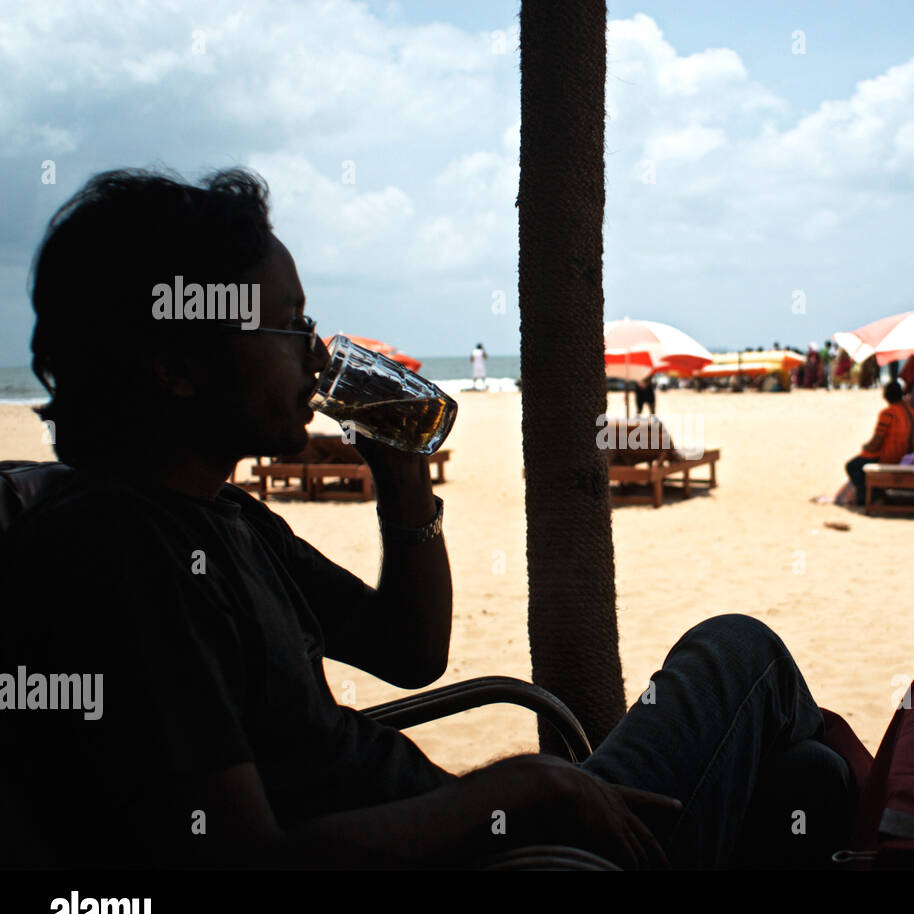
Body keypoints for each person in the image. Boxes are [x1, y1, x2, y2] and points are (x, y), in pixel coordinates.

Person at [2, 168, 853, 871]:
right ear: (176, 362)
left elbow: (409, 653)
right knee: (738, 654)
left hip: (471, 837)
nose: (318, 352)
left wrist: (403, 487)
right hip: (484, 867)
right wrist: (526, 791)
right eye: (290, 325)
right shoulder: (122, 554)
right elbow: (247, 868)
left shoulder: (220, 519)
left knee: (803, 779)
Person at [844, 380, 914, 507]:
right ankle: (876, 493)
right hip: (907, 453)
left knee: (852, 466)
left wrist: (866, 447)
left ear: (886, 396)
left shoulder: (888, 413)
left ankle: (869, 496)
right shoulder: (911, 412)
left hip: (890, 456)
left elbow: (877, 442)